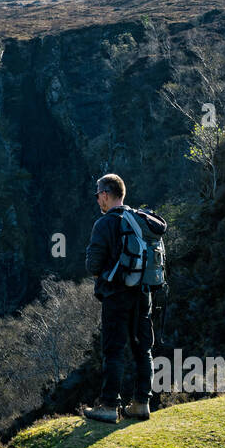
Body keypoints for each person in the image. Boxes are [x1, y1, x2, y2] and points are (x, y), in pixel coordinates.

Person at [82, 173, 161, 423]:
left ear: (105, 194)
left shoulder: (104, 224)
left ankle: (108, 406)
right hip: (143, 293)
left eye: (98, 195)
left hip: (117, 294)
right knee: (143, 348)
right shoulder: (140, 220)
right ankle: (141, 403)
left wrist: (102, 272)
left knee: (113, 349)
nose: (97, 201)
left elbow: (93, 264)